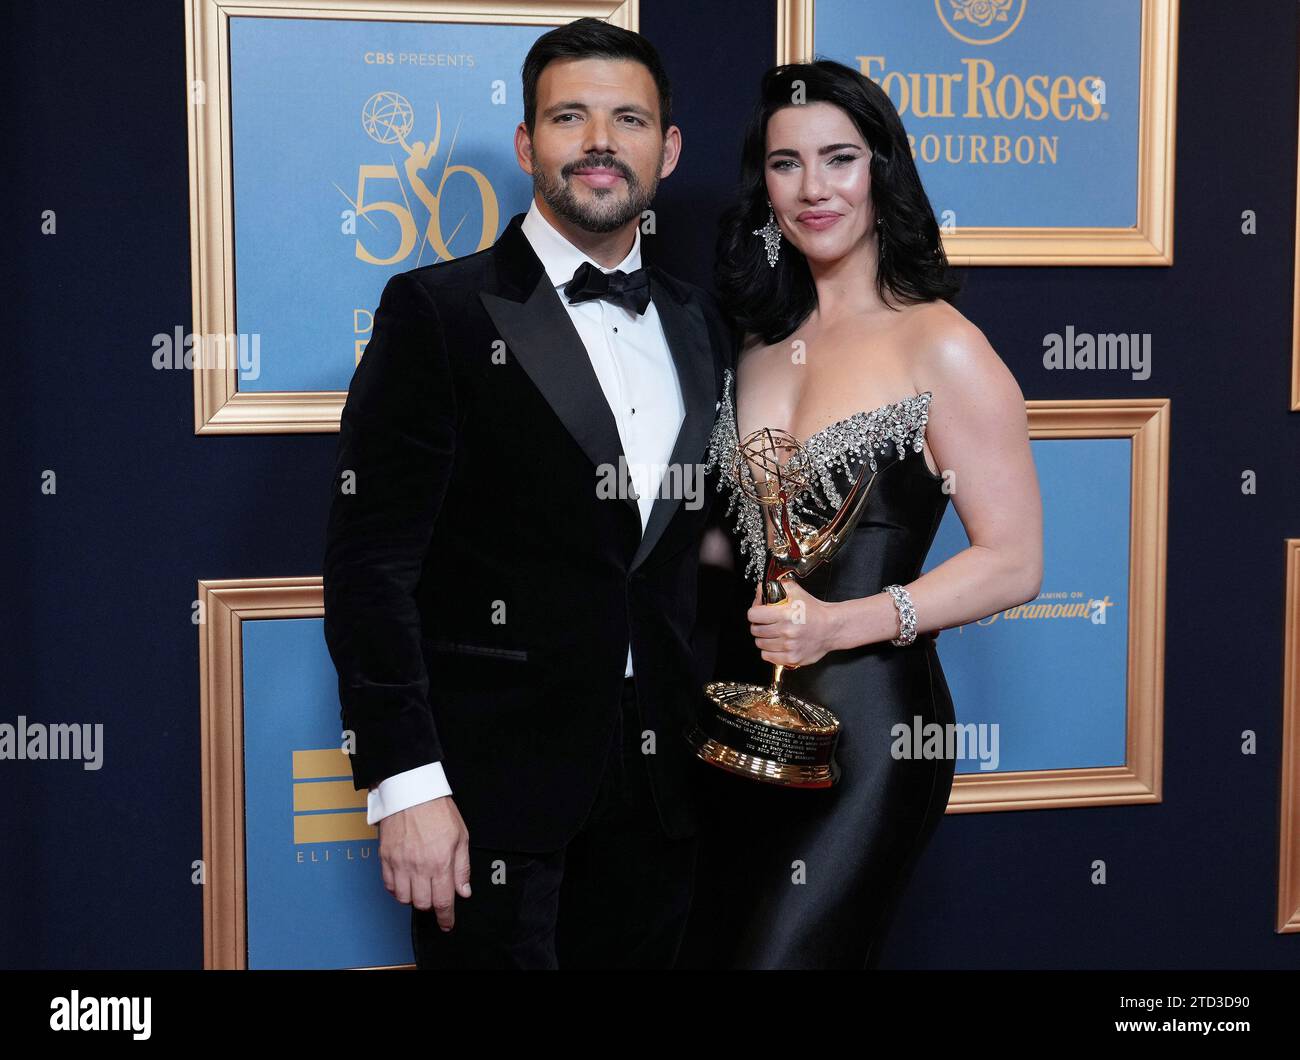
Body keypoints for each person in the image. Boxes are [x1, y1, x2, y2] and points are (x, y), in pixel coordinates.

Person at [322, 18, 735, 969]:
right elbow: (370, 568)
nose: (600, 141)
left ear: (666, 151)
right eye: (569, 117)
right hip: (485, 795)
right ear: (527, 145)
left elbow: (683, 554)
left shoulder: (697, 322)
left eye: (628, 118)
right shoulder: (439, 312)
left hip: (663, 795)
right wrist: (406, 784)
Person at [686, 59, 1043, 969]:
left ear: (882, 169)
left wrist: (841, 622)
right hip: (733, 732)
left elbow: (1013, 560)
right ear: (761, 184)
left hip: (871, 734)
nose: (813, 189)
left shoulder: (943, 345)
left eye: (839, 159)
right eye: (785, 164)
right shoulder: (758, 342)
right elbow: (740, 541)